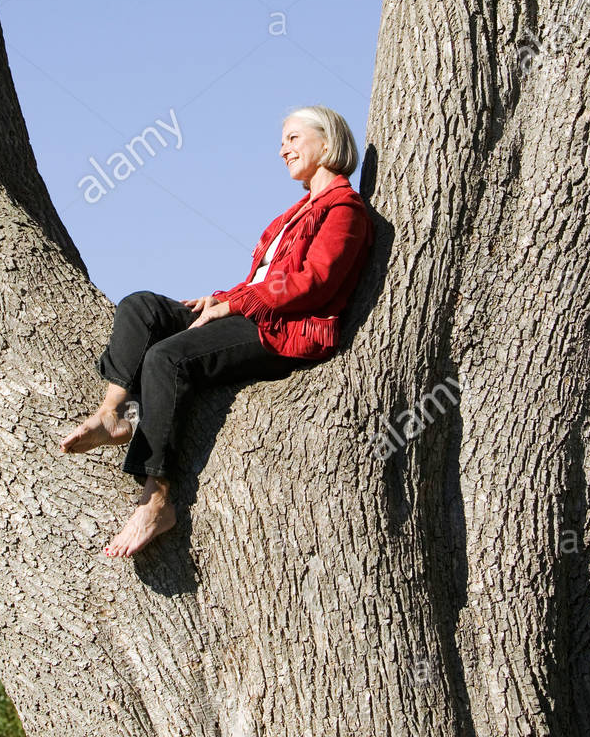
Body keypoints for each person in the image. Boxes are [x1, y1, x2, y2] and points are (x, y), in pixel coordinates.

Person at [59, 105, 374, 557]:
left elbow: (313, 281)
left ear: (327, 144)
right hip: (255, 311)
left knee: (166, 358)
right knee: (141, 307)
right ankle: (114, 413)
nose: (282, 150)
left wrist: (238, 303)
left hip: (284, 333)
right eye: (281, 140)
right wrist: (223, 297)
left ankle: (157, 499)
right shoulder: (296, 213)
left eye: (292, 139)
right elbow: (265, 280)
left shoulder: (344, 208)